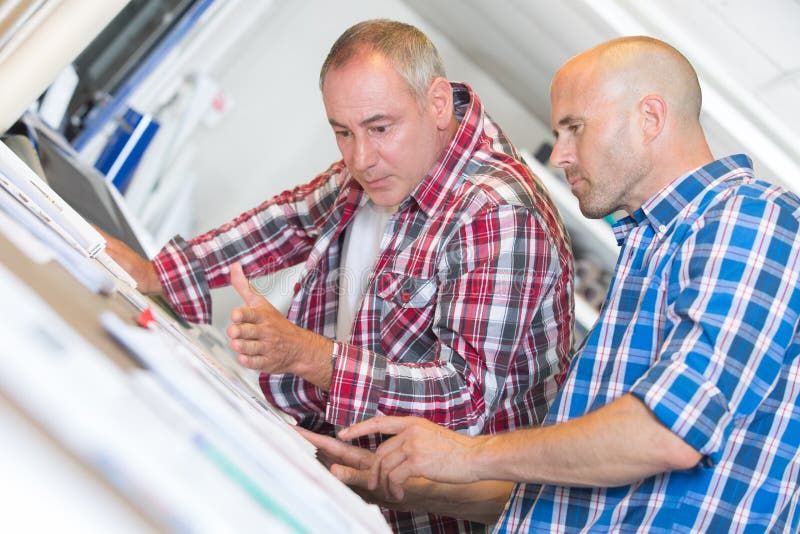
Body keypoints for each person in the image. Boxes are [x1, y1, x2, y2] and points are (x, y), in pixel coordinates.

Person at [309, 36, 800, 533]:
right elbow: (569, 498)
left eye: (575, 127)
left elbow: (666, 431)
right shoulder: (653, 250)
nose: (561, 155)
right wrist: (395, 481)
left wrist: (469, 454)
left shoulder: (753, 218)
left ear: (650, 117)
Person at [104, 19, 574, 533]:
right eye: (343, 132)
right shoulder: (389, 165)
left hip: (423, 520)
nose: (360, 158)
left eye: (379, 128)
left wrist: (306, 355)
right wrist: (160, 274)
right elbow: (292, 220)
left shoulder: (499, 214)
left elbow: (464, 398)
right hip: (337, 478)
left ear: (438, 103)